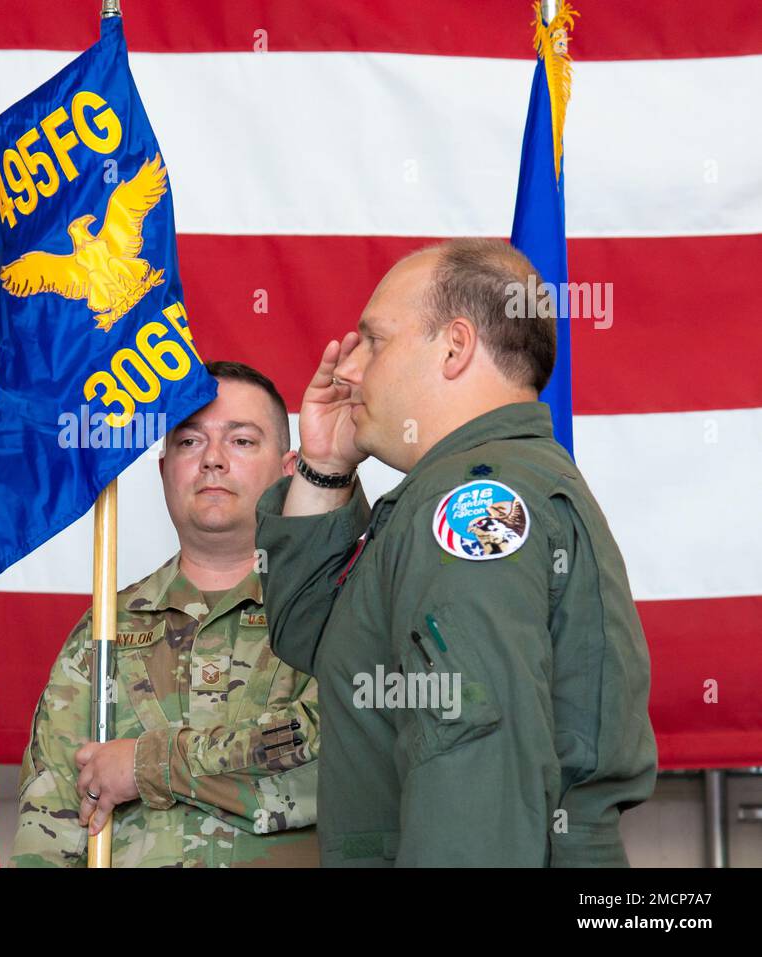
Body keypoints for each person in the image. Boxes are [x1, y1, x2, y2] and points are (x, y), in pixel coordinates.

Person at [255, 238, 658, 867]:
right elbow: (313, 636)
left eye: (375, 341)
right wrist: (325, 469)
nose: (347, 370)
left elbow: (476, 767)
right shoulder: (473, 485)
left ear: (454, 346)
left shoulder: (470, 504)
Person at [12, 362, 320, 867]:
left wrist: (147, 765)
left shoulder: (326, 614)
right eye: (189, 442)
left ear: (287, 469)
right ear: (163, 470)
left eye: (241, 441)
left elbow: (328, 769)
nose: (213, 461)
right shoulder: (105, 630)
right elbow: (48, 826)